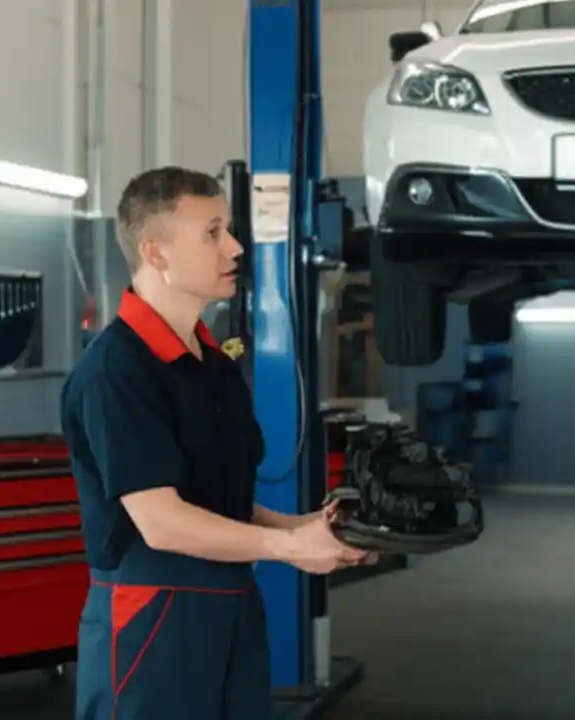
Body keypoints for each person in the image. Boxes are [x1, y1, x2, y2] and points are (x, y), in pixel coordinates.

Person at [60, 167, 371, 719]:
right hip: (154, 613)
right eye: (212, 232)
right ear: (156, 252)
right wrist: (289, 549)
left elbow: (218, 501)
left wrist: (311, 530)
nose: (234, 246)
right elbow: (162, 521)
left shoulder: (212, 365)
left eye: (228, 228)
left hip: (231, 606)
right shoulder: (118, 370)